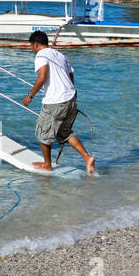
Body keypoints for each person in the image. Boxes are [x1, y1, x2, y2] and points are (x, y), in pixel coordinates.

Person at [22, 31, 95, 174]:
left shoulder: (41, 55)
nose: (32, 49)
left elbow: (42, 77)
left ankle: (47, 165)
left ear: (36, 44)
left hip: (56, 101)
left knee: (42, 131)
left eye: (32, 46)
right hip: (71, 98)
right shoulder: (60, 55)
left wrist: (30, 96)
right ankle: (87, 158)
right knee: (64, 133)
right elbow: (70, 75)